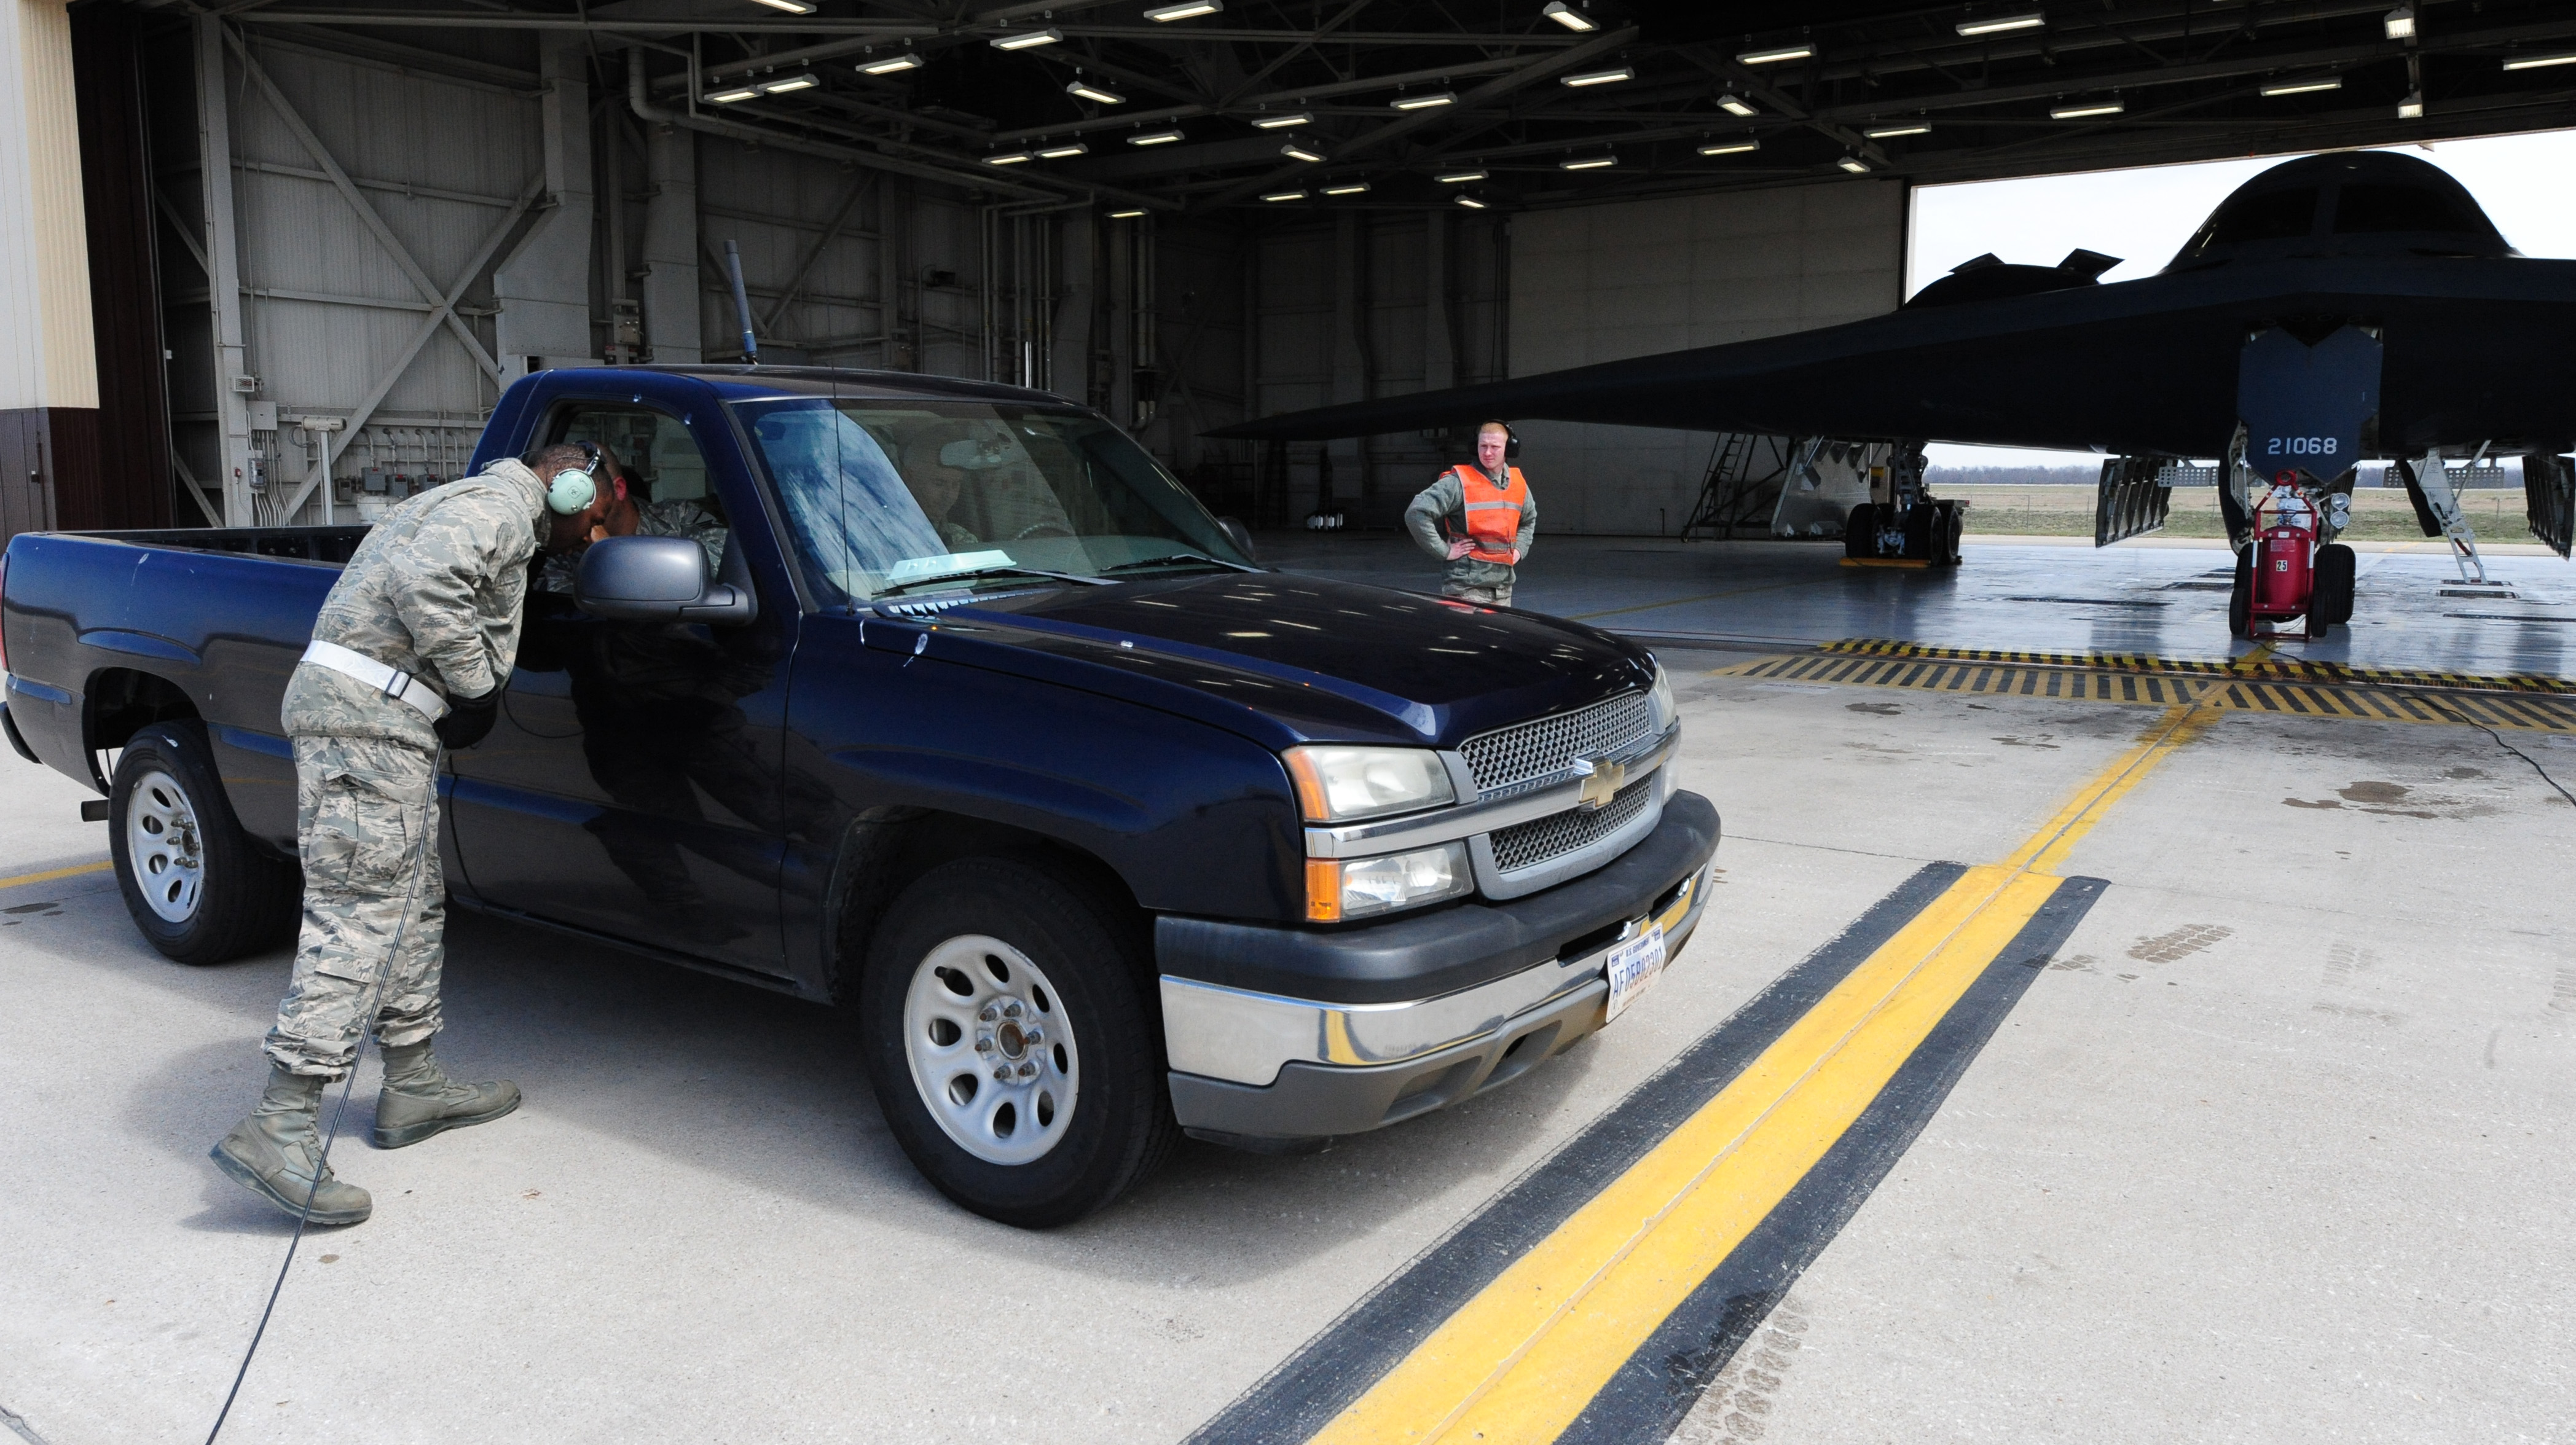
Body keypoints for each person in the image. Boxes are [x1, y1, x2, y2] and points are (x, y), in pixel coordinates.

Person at [210, 442, 611, 1226]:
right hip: (368, 726)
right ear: (565, 489)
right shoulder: (496, 510)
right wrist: (473, 681)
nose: (591, 535)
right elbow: (424, 581)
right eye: (592, 516)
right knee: (360, 913)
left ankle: (412, 1084)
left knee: (412, 904)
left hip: (384, 726)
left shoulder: (476, 505)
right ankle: (279, 1124)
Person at [536, 442, 728, 594]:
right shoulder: (563, 551)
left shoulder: (682, 517)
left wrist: (612, 553)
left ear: (618, 489)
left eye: (581, 496)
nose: (573, 506)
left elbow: (723, 572)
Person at [1405, 420, 1537, 607]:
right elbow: (1417, 513)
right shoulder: (1459, 482)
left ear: (1509, 449)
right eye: (1483, 446)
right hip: (1466, 589)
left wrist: (1520, 549)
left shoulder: (1517, 483)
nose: (1488, 453)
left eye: (1495, 447)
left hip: (1502, 589)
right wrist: (1444, 551)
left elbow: (1528, 519)